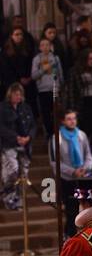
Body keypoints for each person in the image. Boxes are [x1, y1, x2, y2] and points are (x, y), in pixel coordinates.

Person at [50, 110, 92, 238]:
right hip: (67, 179)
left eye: (74, 118)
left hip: (83, 176)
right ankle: (70, 235)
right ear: (63, 121)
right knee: (71, 210)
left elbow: (89, 155)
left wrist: (85, 168)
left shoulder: (81, 135)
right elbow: (55, 162)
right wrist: (73, 171)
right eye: (69, 119)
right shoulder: (56, 137)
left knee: (86, 208)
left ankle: (86, 235)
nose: (72, 121)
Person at [0, 81, 35, 210]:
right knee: (12, 172)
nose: (18, 97)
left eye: (20, 94)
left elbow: (33, 125)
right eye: (16, 94)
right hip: (9, 145)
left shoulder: (25, 108)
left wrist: (28, 137)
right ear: (10, 95)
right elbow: (2, 128)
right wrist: (16, 138)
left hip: (25, 146)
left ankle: (18, 200)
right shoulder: (2, 108)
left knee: (23, 175)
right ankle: (8, 197)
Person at [31, 35, 64, 137]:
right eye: (43, 45)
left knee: (56, 112)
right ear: (40, 47)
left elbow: (59, 73)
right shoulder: (36, 59)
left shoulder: (55, 58)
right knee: (45, 113)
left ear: (51, 46)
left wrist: (60, 85)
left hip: (54, 88)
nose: (45, 47)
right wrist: (44, 69)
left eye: (47, 45)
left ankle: (57, 133)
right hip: (43, 90)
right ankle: (49, 133)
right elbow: (34, 75)